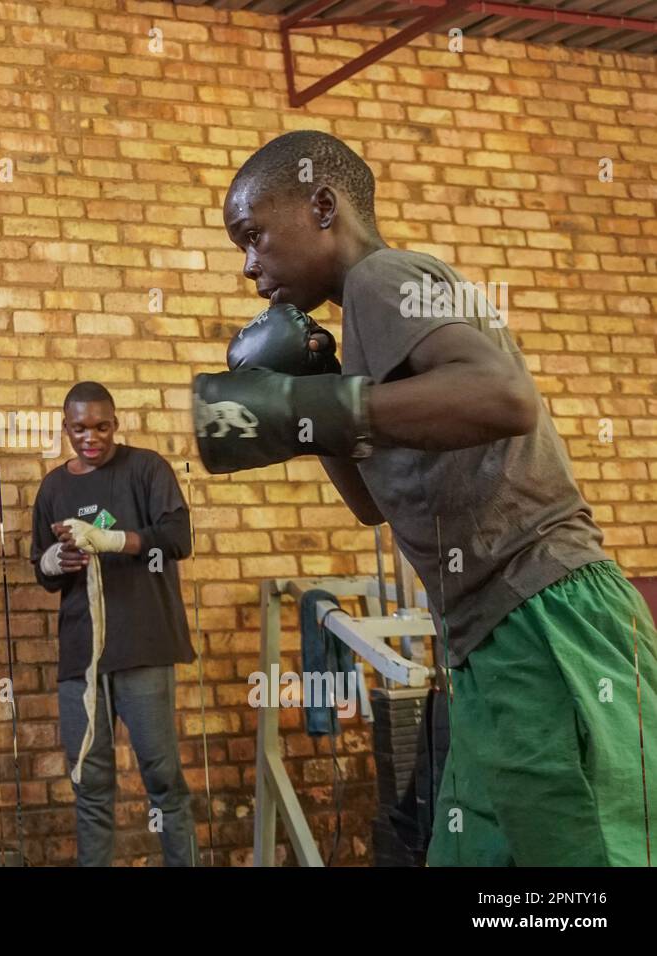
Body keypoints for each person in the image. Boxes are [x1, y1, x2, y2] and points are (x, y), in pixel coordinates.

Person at [194, 129, 656, 865]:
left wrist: (315, 406)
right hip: (485, 640)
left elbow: (504, 397)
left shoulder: (385, 278)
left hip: (544, 617)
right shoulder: (364, 333)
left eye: (252, 236)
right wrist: (310, 400)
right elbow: (374, 506)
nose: (249, 266)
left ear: (321, 204)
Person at [30, 381, 198, 866]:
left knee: (163, 780)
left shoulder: (146, 468)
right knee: (90, 784)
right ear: (65, 428)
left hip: (144, 647)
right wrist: (55, 561)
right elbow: (40, 571)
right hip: (82, 660)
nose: (91, 437)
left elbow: (178, 537)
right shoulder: (54, 487)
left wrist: (112, 540)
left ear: (115, 424)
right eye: (79, 428)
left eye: (101, 426)